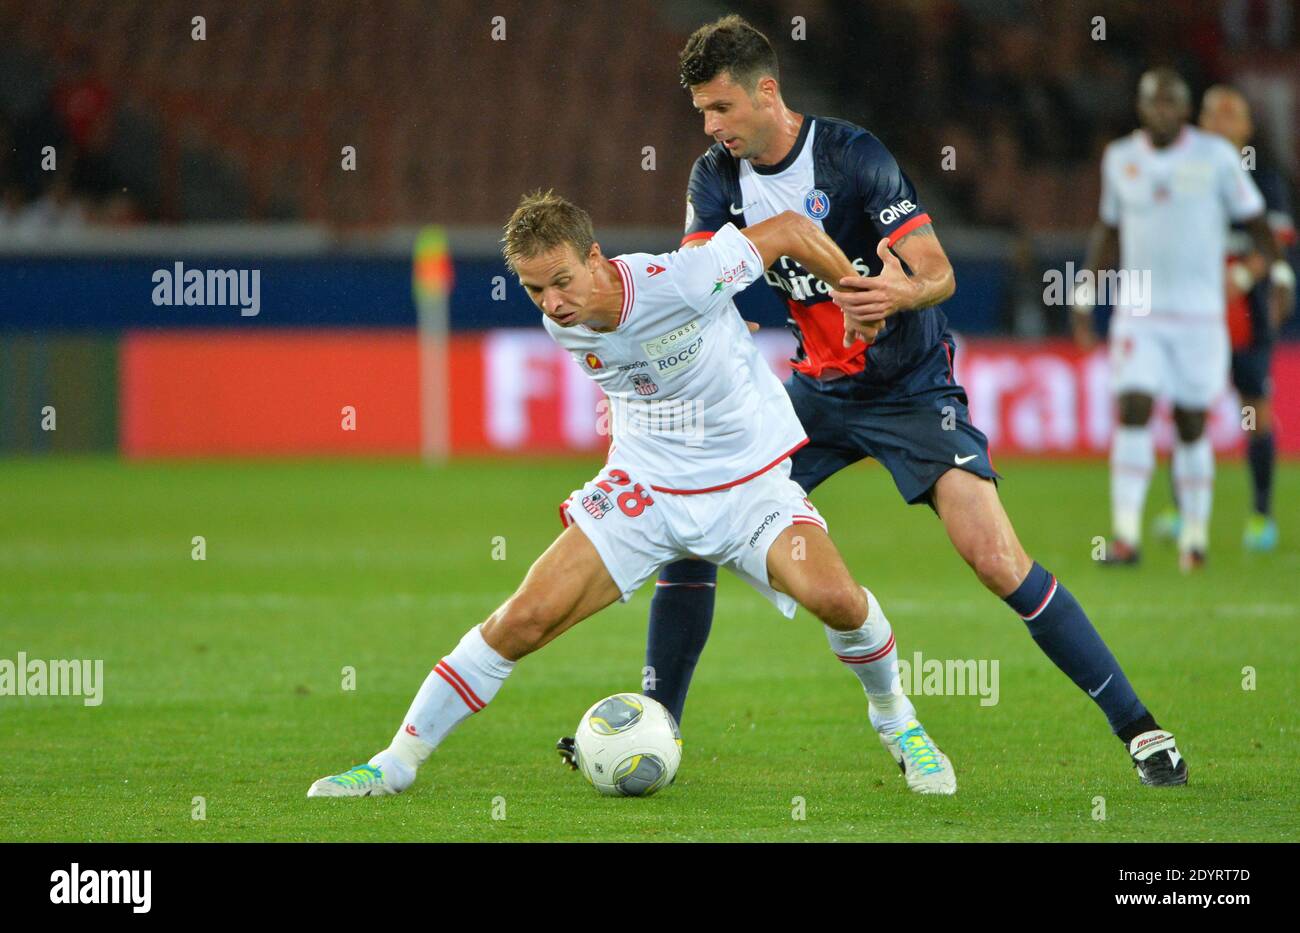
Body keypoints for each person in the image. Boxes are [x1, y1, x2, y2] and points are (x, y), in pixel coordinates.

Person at [560, 15, 1187, 788]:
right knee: (691, 537)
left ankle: (1140, 730)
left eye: (720, 108)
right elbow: (698, 286)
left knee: (996, 560)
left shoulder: (854, 158)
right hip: (814, 397)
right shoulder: (715, 181)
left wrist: (900, 292)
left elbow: (938, 271)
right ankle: (662, 727)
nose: (710, 126)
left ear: (766, 92)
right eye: (701, 113)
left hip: (911, 391)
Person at [308, 189, 957, 797]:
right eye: (535, 289)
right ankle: (393, 763)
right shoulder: (565, 323)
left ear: (596, 258)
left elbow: (789, 230)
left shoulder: (681, 277)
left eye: (562, 280)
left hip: (746, 485)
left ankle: (897, 719)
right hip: (645, 489)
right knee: (522, 618)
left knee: (837, 599)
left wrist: (852, 295)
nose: (554, 303)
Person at [1074, 70, 1288, 571]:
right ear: (1142, 108)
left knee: (1192, 423)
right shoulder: (1121, 158)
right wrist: (1084, 298)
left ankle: (1194, 536)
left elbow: (1259, 225)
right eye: (1154, 103)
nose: (1163, 112)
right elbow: (1107, 233)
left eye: (1173, 104)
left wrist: (1278, 275)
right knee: (1134, 407)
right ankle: (1125, 534)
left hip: (1200, 315)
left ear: (1184, 110)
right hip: (1140, 311)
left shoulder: (1216, 158)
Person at [1152, 86, 1296, 552]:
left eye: (1230, 115)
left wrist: (1245, 275)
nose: (1220, 122)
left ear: (1247, 129)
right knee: (1187, 407)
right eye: (1212, 113)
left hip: (1244, 315)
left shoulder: (1263, 179)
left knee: (1255, 410)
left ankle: (1260, 514)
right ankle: (1179, 506)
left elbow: (1275, 241)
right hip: (1194, 312)